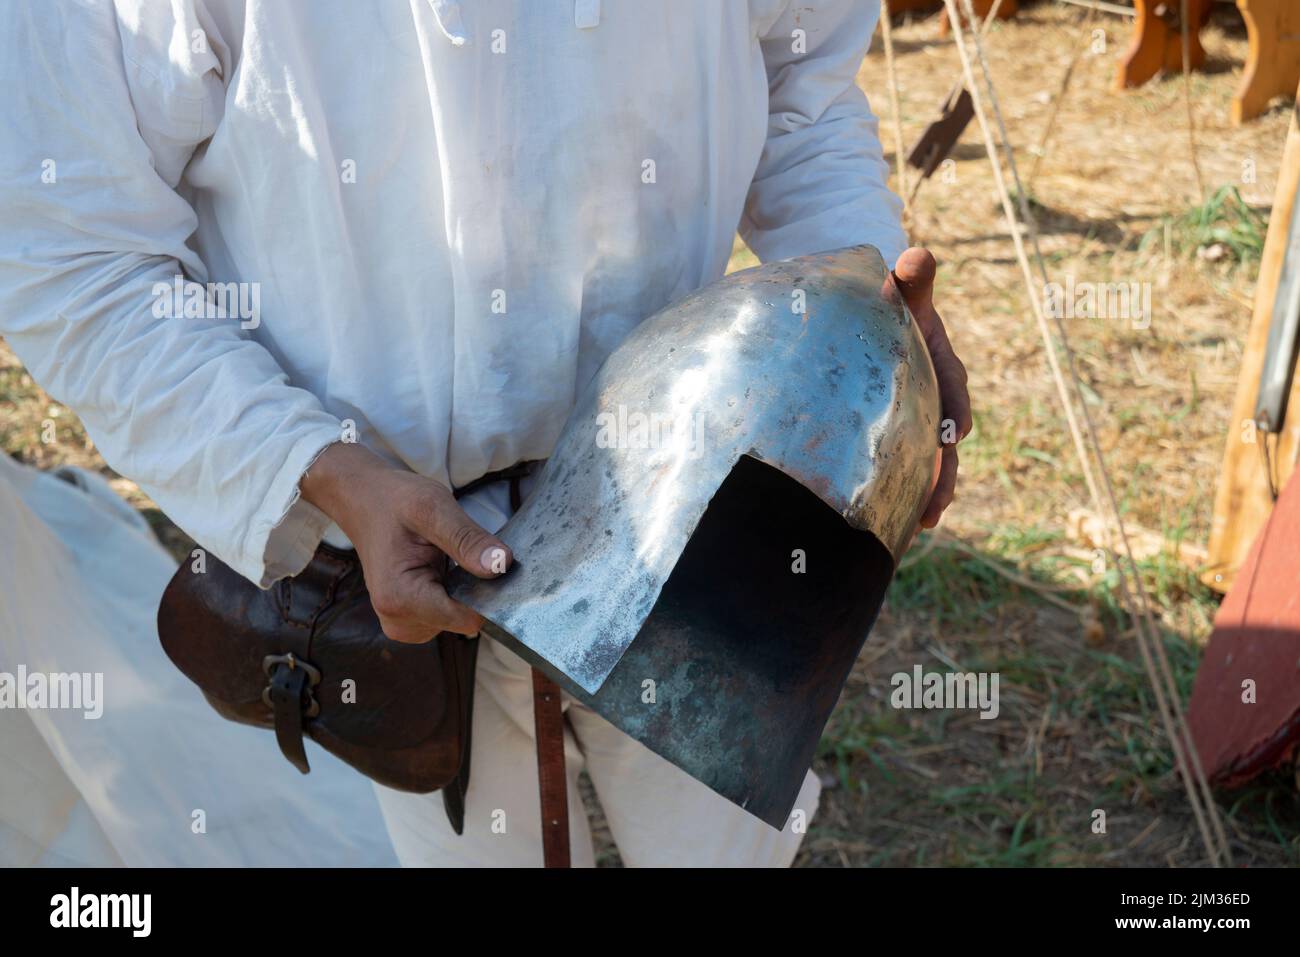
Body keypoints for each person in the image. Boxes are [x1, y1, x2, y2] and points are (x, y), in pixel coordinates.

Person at [0, 0, 969, 867]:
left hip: (706, 497)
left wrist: (873, 336)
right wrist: (315, 469)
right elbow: (77, 253)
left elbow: (797, 89)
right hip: (399, 558)